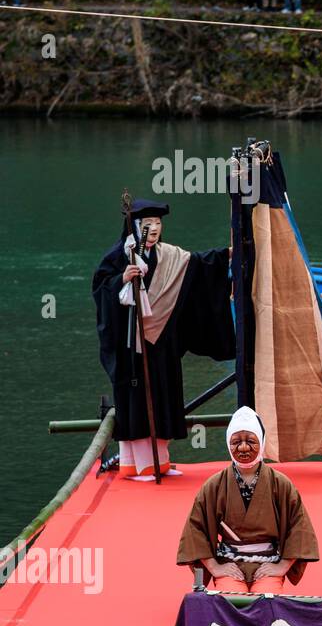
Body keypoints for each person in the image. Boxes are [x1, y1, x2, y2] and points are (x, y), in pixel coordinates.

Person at [92, 200, 235, 480]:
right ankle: (140, 465)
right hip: (131, 345)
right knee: (136, 400)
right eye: (148, 225)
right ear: (134, 227)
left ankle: (161, 461)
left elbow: (198, 265)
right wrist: (122, 278)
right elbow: (101, 289)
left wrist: (228, 255)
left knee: (163, 397)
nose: (154, 228)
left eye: (158, 223)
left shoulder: (167, 255)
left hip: (162, 343)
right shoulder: (119, 256)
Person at [177, 407, 319, 594]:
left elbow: (299, 528)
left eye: (250, 441)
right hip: (230, 563)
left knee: (267, 603)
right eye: (236, 442)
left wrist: (282, 566)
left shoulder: (281, 484)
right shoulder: (214, 485)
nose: (243, 447)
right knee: (232, 603)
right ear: (228, 443)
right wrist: (214, 567)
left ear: (261, 441)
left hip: (268, 563)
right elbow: (196, 529)